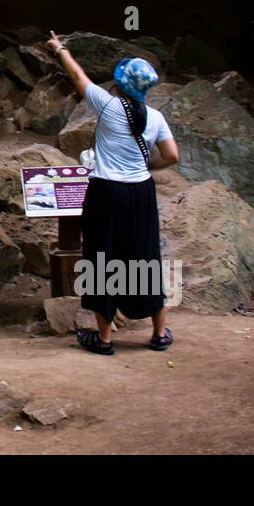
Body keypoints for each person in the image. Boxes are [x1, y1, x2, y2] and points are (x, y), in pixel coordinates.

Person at [45, 32, 180, 355]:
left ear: (119, 84)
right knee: (146, 255)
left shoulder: (106, 107)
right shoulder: (157, 118)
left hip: (107, 192)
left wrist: (59, 49)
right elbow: (173, 155)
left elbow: (77, 76)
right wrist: (149, 165)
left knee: (102, 257)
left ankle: (104, 340)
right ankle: (159, 334)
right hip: (141, 193)